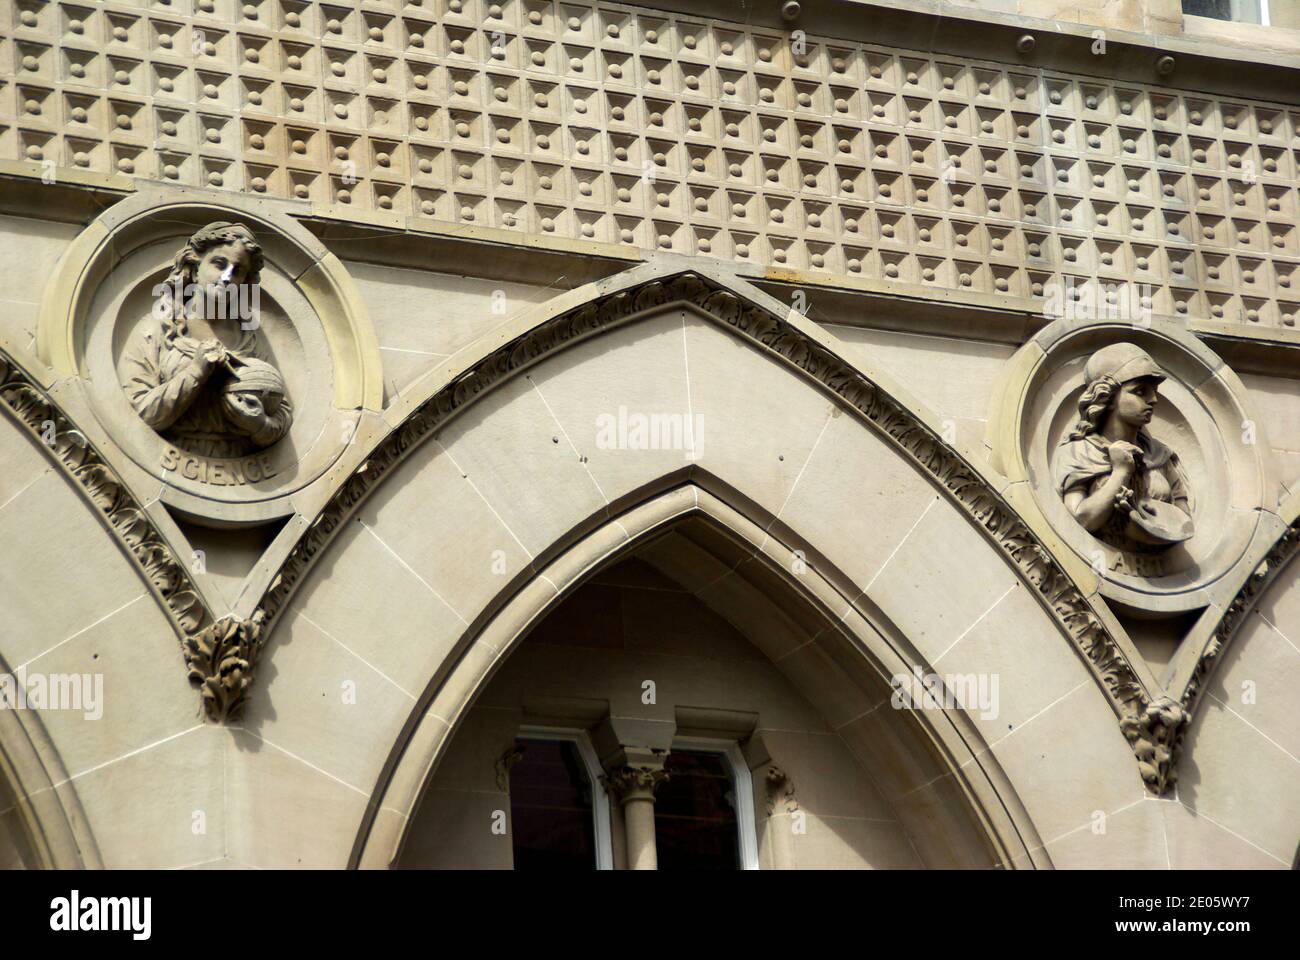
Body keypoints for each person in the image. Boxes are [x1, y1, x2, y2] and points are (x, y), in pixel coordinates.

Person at [120, 222, 292, 460]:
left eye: (238, 270)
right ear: (194, 266)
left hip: (238, 467)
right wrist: (196, 372)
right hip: (169, 460)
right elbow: (143, 412)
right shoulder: (158, 329)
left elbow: (280, 411)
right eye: (219, 264)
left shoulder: (249, 338)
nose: (226, 277)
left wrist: (259, 424)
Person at [1053, 343, 1193, 551]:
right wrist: (1120, 472)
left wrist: (1148, 519)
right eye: (1140, 391)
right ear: (1107, 397)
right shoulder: (1079, 452)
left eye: (1153, 391)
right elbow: (1082, 519)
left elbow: (1184, 521)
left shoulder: (1160, 456)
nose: (1153, 400)